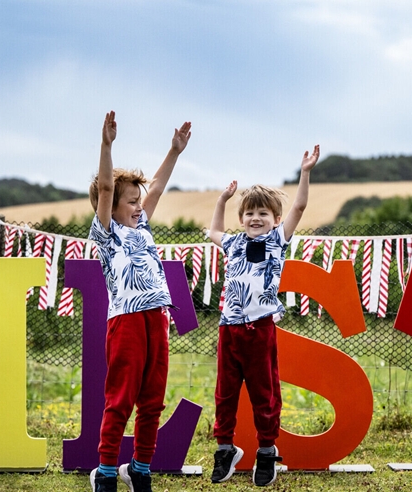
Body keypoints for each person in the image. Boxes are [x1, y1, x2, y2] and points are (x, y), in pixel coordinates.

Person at [88, 111, 191, 492]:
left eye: (137, 201)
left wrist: (174, 150)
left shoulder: (142, 226)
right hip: (126, 322)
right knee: (121, 400)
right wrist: (106, 145)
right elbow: (103, 189)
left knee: (152, 400)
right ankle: (106, 471)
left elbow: (159, 186)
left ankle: (141, 468)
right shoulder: (106, 235)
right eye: (130, 201)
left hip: (156, 320)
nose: (137, 206)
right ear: (112, 205)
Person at [206, 144, 320, 487]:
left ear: (274, 220)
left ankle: (267, 452)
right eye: (250, 213)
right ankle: (225, 449)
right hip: (230, 330)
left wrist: (305, 172)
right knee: (225, 393)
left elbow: (299, 206)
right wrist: (222, 202)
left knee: (264, 392)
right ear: (242, 219)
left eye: (263, 214)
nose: (256, 218)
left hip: (260, 330)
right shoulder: (234, 244)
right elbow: (213, 232)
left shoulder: (277, 241)